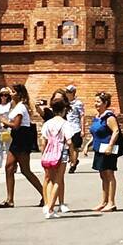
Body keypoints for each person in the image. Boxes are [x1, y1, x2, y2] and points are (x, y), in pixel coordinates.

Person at [0, 84, 45, 209]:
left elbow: (17, 125)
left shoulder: (21, 108)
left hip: (22, 139)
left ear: (18, 94)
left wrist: (4, 121)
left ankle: (45, 194)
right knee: (8, 167)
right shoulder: (16, 106)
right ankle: (9, 199)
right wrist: (8, 124)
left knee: (25, 170)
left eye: (12, 92)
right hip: (17, 139)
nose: (10, 94)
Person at [38, 91, 73, 219]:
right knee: (58, 179)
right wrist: (73, 156)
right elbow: (69, 141)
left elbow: (43, 140)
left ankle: (47, 205)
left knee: (48, 179)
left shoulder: (47, 123)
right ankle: (51, 208)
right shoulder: (65, 123)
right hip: (61, 152)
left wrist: (44, 153)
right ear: (64, 110)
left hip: (48, 152)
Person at [88, 91, 123, 213]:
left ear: (105, 103)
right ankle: (104, 201)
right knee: (102, 175)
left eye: (98, 102)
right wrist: (88, 144)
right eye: (95, 101)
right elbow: (96, 133)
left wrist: (110, 145)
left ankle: (111, 202)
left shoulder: (109, 117)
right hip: (99, 149)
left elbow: (116, 131)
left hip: (108, 150)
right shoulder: (98, 117)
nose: (96, 104)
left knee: (109, 175)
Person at [64, 84, 85, 173]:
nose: (67, 93)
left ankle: (73, 165)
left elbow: (82, 116)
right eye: (66, 92)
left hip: (75, 127)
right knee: (68, 147)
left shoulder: (78, 103)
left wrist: (83, 129)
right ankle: (74, 160)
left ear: (73, 93)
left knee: (75, 146)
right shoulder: (64, 103)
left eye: (69, 92)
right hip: (66, 127)